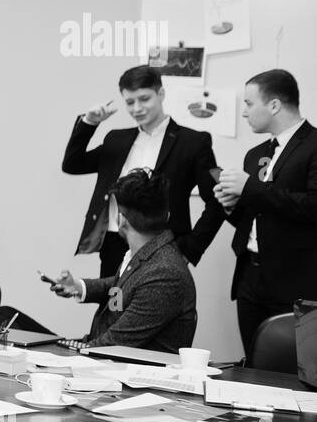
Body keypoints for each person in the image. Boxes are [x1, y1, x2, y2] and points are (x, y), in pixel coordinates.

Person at [62, 65, 224, 276]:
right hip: (114, 244)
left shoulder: (193, 142)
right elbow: (72, 164)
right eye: (130, 102)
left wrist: (190, 250)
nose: (137, 108)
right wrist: (89, 123)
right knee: (114, 305)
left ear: (161, 94)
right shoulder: (116, 139)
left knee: (158, 306)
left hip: (164, 247)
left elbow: (217, 201)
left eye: (144, 99)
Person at [215, 69, 316, 359]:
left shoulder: (314, 146)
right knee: (255, 361)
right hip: (250, 275)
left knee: (297, 369)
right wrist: (232, 205)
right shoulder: (255, 153)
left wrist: (251, 189)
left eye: (248, 103)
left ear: (273, 105)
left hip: (296, 279)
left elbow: (312, 206)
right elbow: (257, 214)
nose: (244, 113)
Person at [49, 169, 196, 353]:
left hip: (120, 369)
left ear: (121, 219)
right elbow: (125, 287)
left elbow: (114, 344)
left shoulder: (165, 273)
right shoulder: (148, 254)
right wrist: (79, 287)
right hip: (104, 358)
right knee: (7, 315)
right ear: (166, 215)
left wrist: (64, 353)